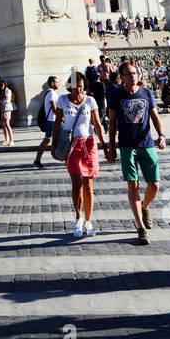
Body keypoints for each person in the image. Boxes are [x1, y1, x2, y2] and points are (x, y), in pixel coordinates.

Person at [107, 61, 165, 245]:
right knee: (133, 185)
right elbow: (112, 123)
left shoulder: (146, 92)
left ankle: (144, 206)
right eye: (129, 74)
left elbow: (155, 116)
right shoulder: (116, 95)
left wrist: (161, 135)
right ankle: (140, 227)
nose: (133, 76)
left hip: (146, 142)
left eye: (134, 73)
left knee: (154, 184)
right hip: (126, 145)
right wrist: (111, 147)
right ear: (122, 77)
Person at [52, 74, 108, 237]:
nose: (80, 88)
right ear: (70, 86)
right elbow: (57, 123)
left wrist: (104, 146)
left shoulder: (90, 101)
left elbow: (97, 124)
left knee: (88, 185)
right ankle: (78, 219)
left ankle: (89, 221)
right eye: (77, 85)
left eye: (82, 85)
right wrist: (53, 145)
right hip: (72, 145)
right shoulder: (62, 100)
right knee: (76, 183)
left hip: (88, 144)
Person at [33, 75, 61, 169]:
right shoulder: (51, 94)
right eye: (57, 82)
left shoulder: (50, 93)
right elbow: (54, 108)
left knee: (51, 140)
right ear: (52, 83)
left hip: (52, 121)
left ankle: (38, 160)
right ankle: (37, 160)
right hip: (52, 121)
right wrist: (61, 118)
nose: (59, 84)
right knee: (48, 140)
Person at [0, 80, 16, 146]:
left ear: (5, 85)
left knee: (7, 124)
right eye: (0, 85)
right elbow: (1, 100)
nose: (1, 87)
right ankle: (6, 139)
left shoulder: (8, 91)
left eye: (2, 85)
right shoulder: (2, 91)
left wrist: (5, 92)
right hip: (2, 107)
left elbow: (7, 99)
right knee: (3, 124)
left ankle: (11, 140)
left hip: (7, 107)